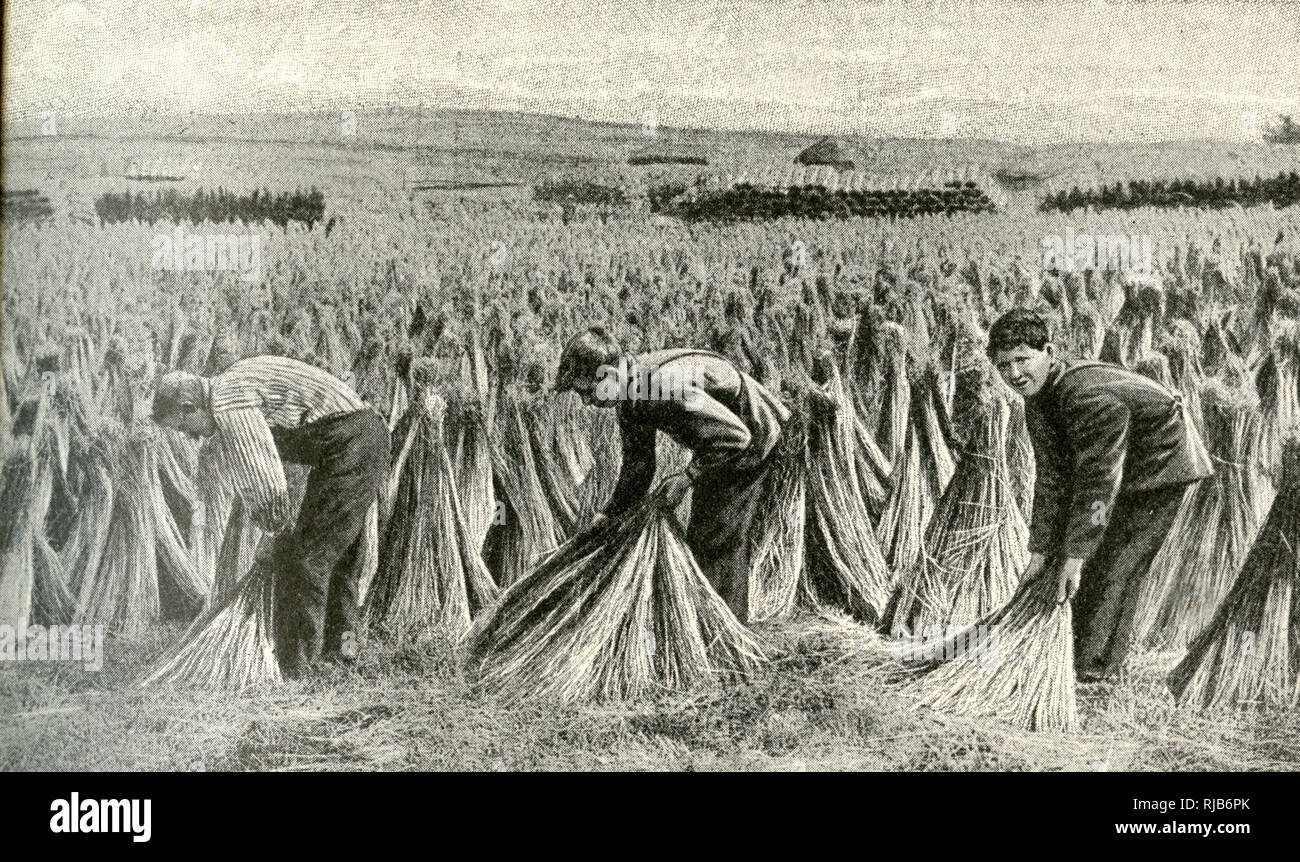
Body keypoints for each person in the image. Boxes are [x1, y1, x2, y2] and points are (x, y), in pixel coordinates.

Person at [987, 309, 1212, 681]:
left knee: (1115, 566)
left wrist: (1075, 555)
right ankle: (1076, 654)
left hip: (1161, 465)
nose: (1013, 374)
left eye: (1022, 360)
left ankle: (1097, 670)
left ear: (1048, 351)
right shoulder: (1040, 398)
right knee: (1082, 559)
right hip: (1122, 465)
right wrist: (1041, 550)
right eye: (1004, 365)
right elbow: (1052, 478)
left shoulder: (1084, 397)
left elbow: (1097, 480)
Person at [151, 355, 390, 677]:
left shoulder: (227, 401)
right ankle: (346, 652)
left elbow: (260, 468)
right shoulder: (235, 381)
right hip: (357, 439)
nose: (189, 436)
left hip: (349, 443)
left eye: (183, 427)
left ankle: (302, 667)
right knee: (341, 559)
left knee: (308, 560)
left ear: (190, 405)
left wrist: (274, 530)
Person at [554, 327, 790, 622]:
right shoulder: (629, 394)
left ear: (608, 375)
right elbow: (639, 466)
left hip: (753, 437)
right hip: (721, 444)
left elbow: (735, 437)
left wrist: (687, 477)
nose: (587, 401)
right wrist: (608, 515)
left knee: (717, 537)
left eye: (586, 391)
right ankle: (709, 623)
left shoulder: (660, 387)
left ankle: (725, 632)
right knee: (704, 533)